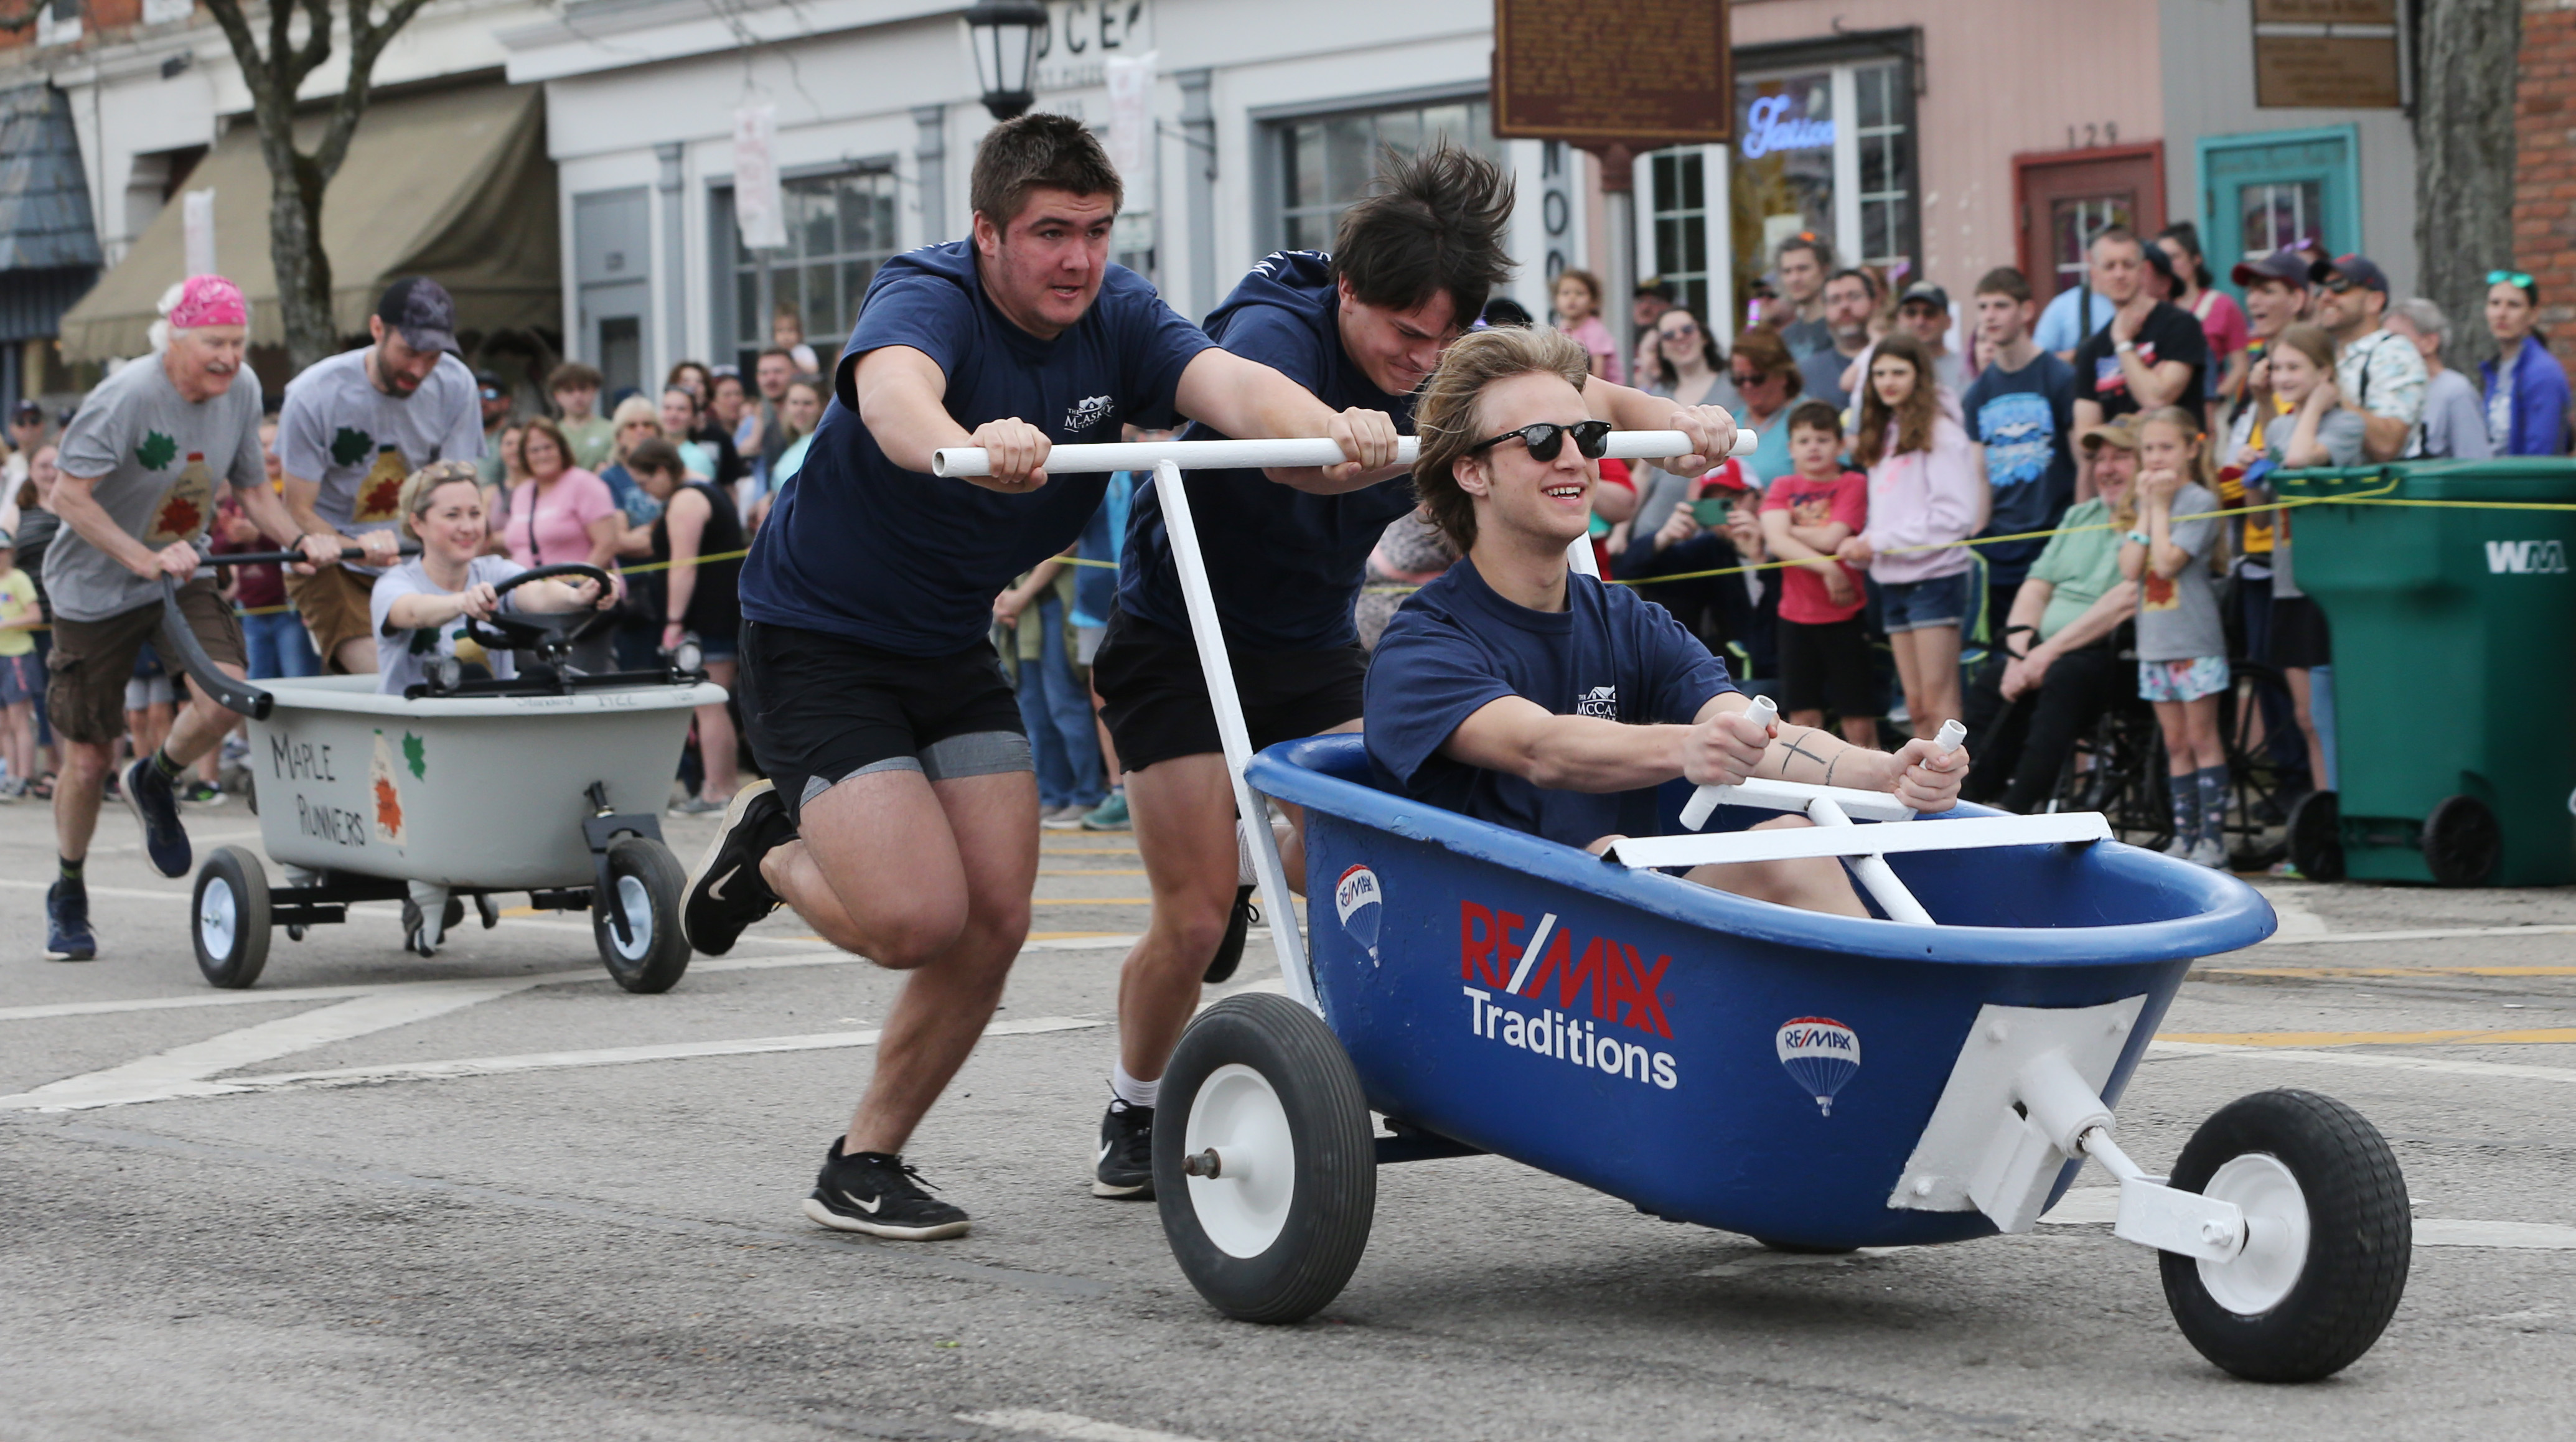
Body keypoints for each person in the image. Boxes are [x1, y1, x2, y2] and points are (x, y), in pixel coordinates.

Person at [685, 112, 1403, 1242]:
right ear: (985, 233)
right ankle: (774, 848)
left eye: (1097, 230)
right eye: (1049, 232)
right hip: (815, 638)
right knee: (916, 918)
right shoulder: (927, 294)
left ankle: (863, 1159)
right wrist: (966, 443)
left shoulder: (1117, 314)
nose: (1078, 257)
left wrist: (1335, 428)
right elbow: (890, 401)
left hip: (946, 646)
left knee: (997, 917)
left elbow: (1227, 385)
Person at [1091, 145, 1734, 1202]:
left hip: (1309, 640)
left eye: (1443, 339)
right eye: (1403, 336)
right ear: (1349, 293)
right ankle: (1133, 1101)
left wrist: (1673, 422)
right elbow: (1272, 437)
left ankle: (1398, 1014)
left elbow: (1563, 390)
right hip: (1177, 635)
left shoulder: (1443, 345)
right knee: (1195, 909)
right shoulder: (1275, 325)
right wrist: (1333, 429)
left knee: (1384, 849)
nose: (1421, 359)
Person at [1365, 325, 1964, 916]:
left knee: (1782, 842)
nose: (1574, 459)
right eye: (1542, 440)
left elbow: (1751, 731)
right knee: (1633, 853)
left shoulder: (1625, 618)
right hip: (1499, 949)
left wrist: (1882, 771)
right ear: (1472, 472)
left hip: (1623, 936)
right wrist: (1690, 746)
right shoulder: (1423, 643)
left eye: (1589, 436)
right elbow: (1542, 748)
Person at [42, 274, 340, 958]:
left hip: (184, 569)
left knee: (227, 691)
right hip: (94, 586)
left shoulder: (239, 392)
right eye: (214, 341)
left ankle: (157, 776)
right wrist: (137, 556)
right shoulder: (123, 397)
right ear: (175, 338)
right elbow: (68, 498)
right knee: (88, 758)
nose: (230, 357)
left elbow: (252, 489)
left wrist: (299, 541)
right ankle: (68, 888)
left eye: (238, 342)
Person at [277, 276, 484, 674]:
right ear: (377, 330)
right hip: (334, 562)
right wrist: (351, 546)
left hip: (417, 557)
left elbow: (459, 488)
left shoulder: (456, 384)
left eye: (433, 356)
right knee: (387, 676)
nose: (419, 368)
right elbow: (297, 508)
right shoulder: (315, 394)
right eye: (409, 352)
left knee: (461, 667)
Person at [1976, 416, 2141, 815]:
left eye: (2121, 457)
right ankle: (1965, 800)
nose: (2107, 469)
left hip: (2113, 657)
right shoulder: (2079, 516)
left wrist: (2045, 654)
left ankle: (2017, 812)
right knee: (1993, 679)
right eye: (2100, 459)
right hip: (2047, 653)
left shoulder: (2151, 519)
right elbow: (2036, 586)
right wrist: (2020, 656)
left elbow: (2127, 598)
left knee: (2063, 678)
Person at [1836, 333, 1982, 742]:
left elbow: (1954, 518)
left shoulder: (1941, 432)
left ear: (1919, 376)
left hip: (1935, 579)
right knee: (1916, 708)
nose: (1887, 381)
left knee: (1940, 706)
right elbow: (1890, 513)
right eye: (1879, 373)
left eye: (1898, 371)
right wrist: (1865, 544)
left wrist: (1878, 541)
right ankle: (1929, 803)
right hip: (1893, 580)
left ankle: (1956, 802)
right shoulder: (1884, 433)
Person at [2234, 324, 2354, 798]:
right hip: (2287, 583)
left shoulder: (2344, 424)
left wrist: (2318, 405)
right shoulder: (2281, 425)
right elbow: (2260, 515)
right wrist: (2254, 465)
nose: (2281, 376)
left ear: (2323, 372)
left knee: (2330, 715)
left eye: (2293, 367)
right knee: (2306, 717)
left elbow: (2302, 458)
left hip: (2325, 588)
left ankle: (2344, 811)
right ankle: (2323, 814)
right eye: (2276, 366)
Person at [371, 460, 609, 695]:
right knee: (470, 678)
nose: (468, 527)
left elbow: (537, 593)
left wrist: (577, 596)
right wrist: (462, 602)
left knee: (546, 680)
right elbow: (414, 612)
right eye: (452, 515)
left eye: (475, 514)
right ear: (418, 524)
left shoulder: (495, 571)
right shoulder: (395, 583)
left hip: (494, 719)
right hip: (417, 726)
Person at [2119, 406, 2231, 869]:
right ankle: (2185, 836)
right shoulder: (2149, 504)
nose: (2156, 458)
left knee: (2202, 738)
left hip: (2194, 640)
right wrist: (2147, 510)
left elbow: (2166, 563)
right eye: (2148, 449)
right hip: (2156, 643)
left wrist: (2160, 509)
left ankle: (2214, 839)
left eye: (2166, 447)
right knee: (2175, 742)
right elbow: (2130, 568)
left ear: (2190, 448)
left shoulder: (2199, 501)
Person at [623, 437, 745, 812]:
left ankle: (717, 790)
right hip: (719, 613)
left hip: (706, 618)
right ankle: (717, 787)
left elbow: (683, 565)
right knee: (711, 701)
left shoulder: (687, 500)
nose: (647, 493)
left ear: (662, 471)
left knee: (708, 701)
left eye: (645, 483)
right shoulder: (703, 492)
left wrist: (673, 622)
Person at [1962, 266, 2079, 626]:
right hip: (2000, 544)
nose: (1990, 316)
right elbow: (1981, 477)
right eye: (1983, 307)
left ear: (2026, 312)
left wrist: (2077, 532)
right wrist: (1977, 537)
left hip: (2053, 535)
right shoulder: (1977, 393)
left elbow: (2081, 461)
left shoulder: (2059, 377)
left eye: (2000, 306)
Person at [1759, 400, 1875, 748]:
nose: (1813, 447)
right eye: (1804, 440)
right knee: (1802, 719)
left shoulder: (1853, 482)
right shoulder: (1783, 485)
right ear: (1791, 447)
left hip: (1844, 615)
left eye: (1823, 439)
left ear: (1841, 446)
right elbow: (1775, 542)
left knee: (1857, 718)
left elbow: (1830, 538)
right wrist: (1829, 569)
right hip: (1794, 617)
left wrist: (1789, 529)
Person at [2070, 228, 2207, 498]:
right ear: (2095, 276)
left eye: (2128, 265)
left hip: (2179, 489)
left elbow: (2156, 398)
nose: (2119, 274)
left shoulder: (2179, 325)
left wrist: (2123, 343)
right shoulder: (2091, 350)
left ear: (2144, 271)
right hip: (2122, 494)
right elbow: (2085, 438)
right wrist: (2135, 419)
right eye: (2109, 266)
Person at [996, 556, 1105, 827]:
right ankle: (1052, 795)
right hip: (1021, 610)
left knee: (1065, 704)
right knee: (1033, 709)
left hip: (1053, 599)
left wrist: (1023, 594)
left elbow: (1067, 540)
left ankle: (1087, 793)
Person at [214, 423, 320, 680]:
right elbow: (217, 548)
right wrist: (233, 537)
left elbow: (309, 543)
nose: (269, 451)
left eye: (276, 444)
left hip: (291, 608)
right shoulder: (240, 496)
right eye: (261, 445)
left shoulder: (298, 495)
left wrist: (260, 534)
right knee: (258, 683)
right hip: (250, 609)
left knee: (299, 681)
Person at [1628, 307, 1742, 537]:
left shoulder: (1737, 384)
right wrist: (1621, 532)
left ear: (1704, 337)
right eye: (1669, 336)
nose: (1679, 338)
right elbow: (1643, 472)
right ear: (1662, 350)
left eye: (1687, 330)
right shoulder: (1656, 395)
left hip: (1719, 522)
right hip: (1656, 525)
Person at [2310, 253, 2424, 463]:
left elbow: (2387, 445)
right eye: (2319, 289)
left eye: (2340, 286)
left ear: (2375, 301)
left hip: (2375, 493)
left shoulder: (2393, 352)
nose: (2325, 297)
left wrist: (2333, 399)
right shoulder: (2319, 356)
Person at [2155, 223, 2249, 418]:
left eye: (2175, 257)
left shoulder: (2223, 305)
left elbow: (2240, 366)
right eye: (2162, 259)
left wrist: (2217, 399)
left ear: (2196, 258)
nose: (2168, 265)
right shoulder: (2156, 309)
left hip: (2211, 410)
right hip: (2163, 411)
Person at [2387, 297, 2493, 460]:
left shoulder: (2455, 391)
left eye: (2395, 339)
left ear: (2430, 342)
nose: (2385, 349)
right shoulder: (2387, 392)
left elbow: (2474, 463)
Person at [2481, 270, 2570, 455]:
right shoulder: (2495, 370)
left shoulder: (2543, 373)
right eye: (2495, 303)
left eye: (2513, 305)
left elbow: (2541, 457)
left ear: (2533, 314)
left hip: (2525, 482)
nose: (2501, 313)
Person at [1727, 328, 1804, 488]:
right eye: (1739, 379)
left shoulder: (1810, 417)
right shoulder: (1729, 423)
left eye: (1757, 378)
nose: (1747, 385)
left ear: (1782, 376)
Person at [1799, 268, 1876, 410]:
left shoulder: (1895, 359)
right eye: (1835, 300)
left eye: (1854, 297)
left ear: (1873, 302)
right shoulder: (1808, 372)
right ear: (1825, 309)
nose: (1845, 306)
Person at [0, 529, 39, 796]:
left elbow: (34, 615)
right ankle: (10, 774)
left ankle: (24, 776)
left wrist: (5, 624)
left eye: (2, 551)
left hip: (17, 654)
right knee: (3, 724)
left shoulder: (18, 579)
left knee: (19, 720)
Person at [1550, 267, 1623, 383]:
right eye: (1565, 293)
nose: (1572, 298)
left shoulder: (1595, 330)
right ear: (1556, 300)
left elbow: (1598, 370)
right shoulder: (1563, 328)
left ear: (1593, 302)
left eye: (1580, 294)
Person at [1893, 281, 1967, 395]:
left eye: (1930, 313)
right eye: (1911, 313)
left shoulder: (1967, 369)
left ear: (1949, 322)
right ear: (1899, 320)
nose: (1920, 322)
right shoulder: (1886, 369)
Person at [547, 362, 617, 473]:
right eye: (569, 390)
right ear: (557, 396)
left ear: (594, 391)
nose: (578, 396)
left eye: (583, 389)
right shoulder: (551, 434)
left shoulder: (611, 431)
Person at [1773, 235, 1834, 359]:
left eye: (1803, 269)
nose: (1794, 278)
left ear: (1825, 270)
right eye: (1787, 271)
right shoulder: (1786, 336)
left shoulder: (1840, 327)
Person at [473, 370, 515, 487]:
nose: (482, 402)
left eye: (490, 395)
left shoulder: (516, 438)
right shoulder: (460, 439)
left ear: (506, 402)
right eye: (476, 395)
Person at [772, 306, 822, 376]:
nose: (786, 336)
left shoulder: (803, 351)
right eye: (780, 331)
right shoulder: (774, 354)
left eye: (791, 330)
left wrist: (794, 361)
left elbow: (814, 370)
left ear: (799, 334)